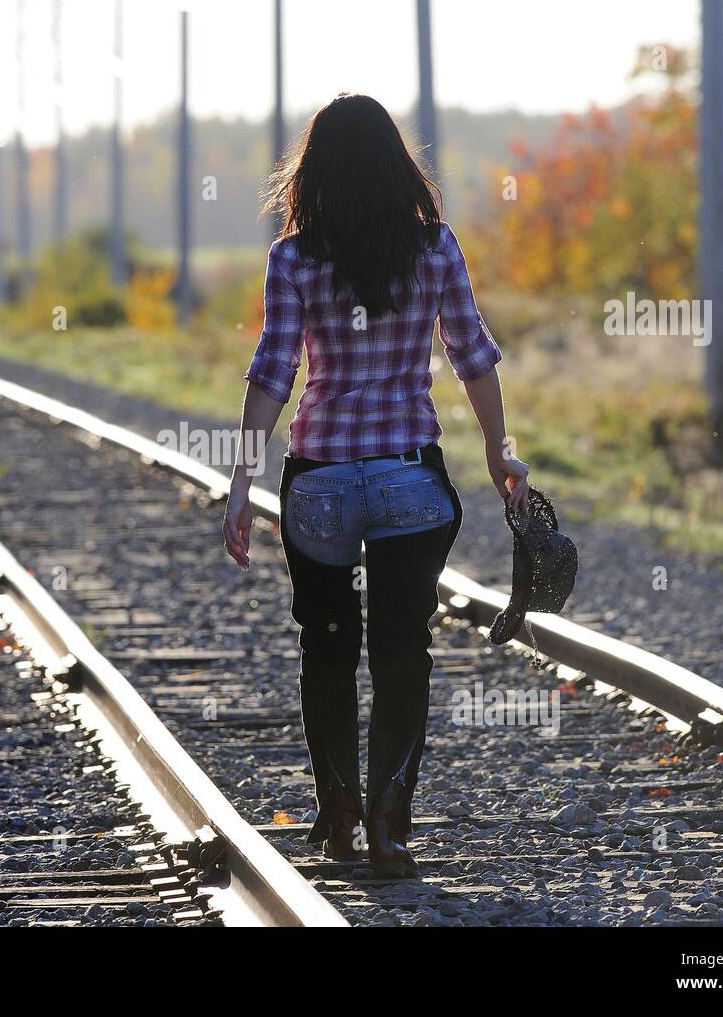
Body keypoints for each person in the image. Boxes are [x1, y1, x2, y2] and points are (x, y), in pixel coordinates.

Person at [221, 93, 530, 877]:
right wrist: (501, 453)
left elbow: (273, 372)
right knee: (403, 648)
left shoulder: (292, 258)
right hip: (408, 480)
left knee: (326, 650)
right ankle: (392, 819)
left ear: (314, 170)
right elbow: (475, 357)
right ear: (398, 164)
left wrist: (240, 480)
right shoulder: (435, 249)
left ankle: (338, 820)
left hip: (321, 479)